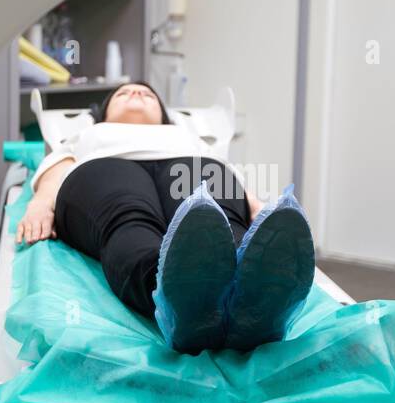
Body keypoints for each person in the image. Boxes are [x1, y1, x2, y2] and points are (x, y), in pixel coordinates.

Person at [17, 82, 315, 354]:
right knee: (129, 220)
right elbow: (57, 168)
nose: (136, 94)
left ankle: (255, 297)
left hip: (188, 167)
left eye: (147, 94)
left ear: (163, 115)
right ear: (103, 114)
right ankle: (175, 299)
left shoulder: (191, 140)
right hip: (107, 168)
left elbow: (232, 183)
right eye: (123, 93)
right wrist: (42, 203)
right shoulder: (86, 137)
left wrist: (256, 208)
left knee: (215, 217)